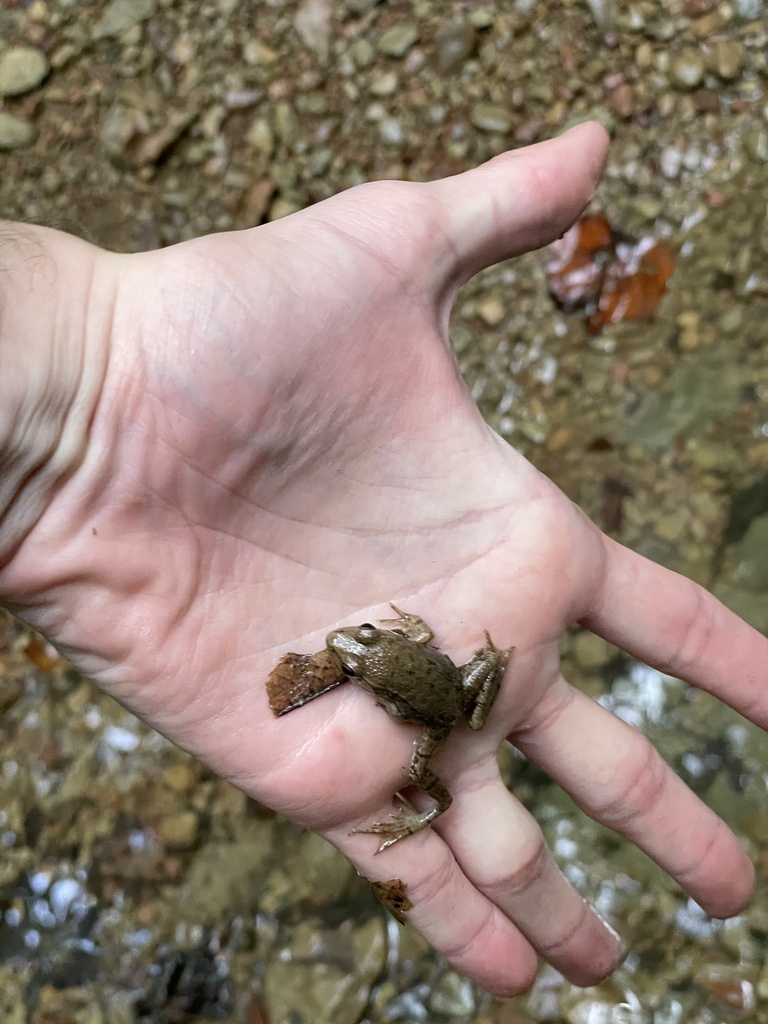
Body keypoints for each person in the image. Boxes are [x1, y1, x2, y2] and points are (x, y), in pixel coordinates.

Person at [0, 122, 764, 997]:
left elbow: (392, 658)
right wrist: (76, 381)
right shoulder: (373, 661)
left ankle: (430, 802)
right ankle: (449, 757)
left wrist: (76, 381)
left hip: (445, 705)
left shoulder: (376, 670)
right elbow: (394, 651)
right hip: (443, 683)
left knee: (425, 771)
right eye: (360, 652)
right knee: (448, 730)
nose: (353, 650)